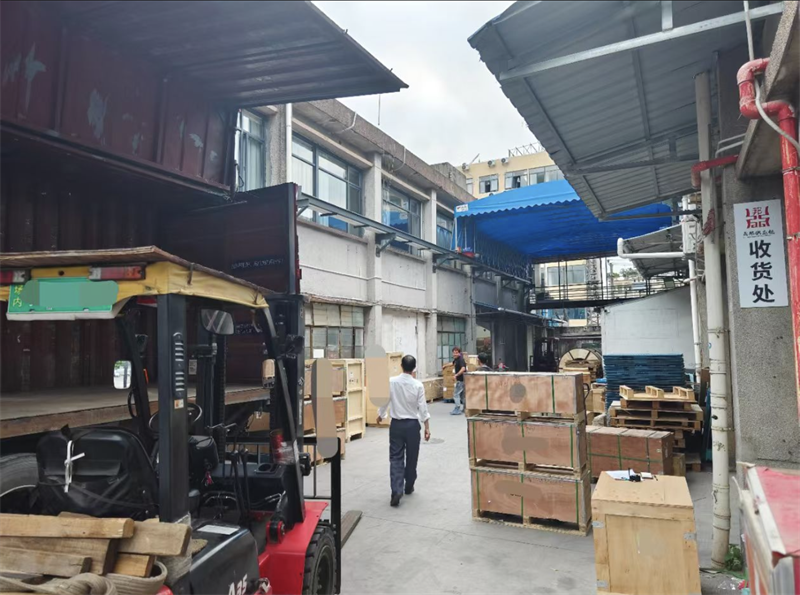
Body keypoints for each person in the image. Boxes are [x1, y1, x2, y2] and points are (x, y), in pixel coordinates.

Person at [377, 354, 431, 507]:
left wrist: (381, 415)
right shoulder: (418, 385)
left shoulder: (391, 382)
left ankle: (396, 490)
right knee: (412, 457)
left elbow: (385, 400)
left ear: (401, 366)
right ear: (414, 368)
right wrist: (427, 427)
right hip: (412, 426)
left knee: (396, 458)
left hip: (396, 425)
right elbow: (422, 408)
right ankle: (409, 485)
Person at [451, 347, 467, 415]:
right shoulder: (456, 359)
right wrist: (445, 366)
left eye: (456, 352)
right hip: (462, 380)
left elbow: (463, 368)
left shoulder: (461, 359)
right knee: (462, 395)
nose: (455, 354)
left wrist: (456, 375)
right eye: (454, 352)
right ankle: (465, 408)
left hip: (461, 380)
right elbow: (452, 363)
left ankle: (457, 409)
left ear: (459, 353)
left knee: (456, 394)